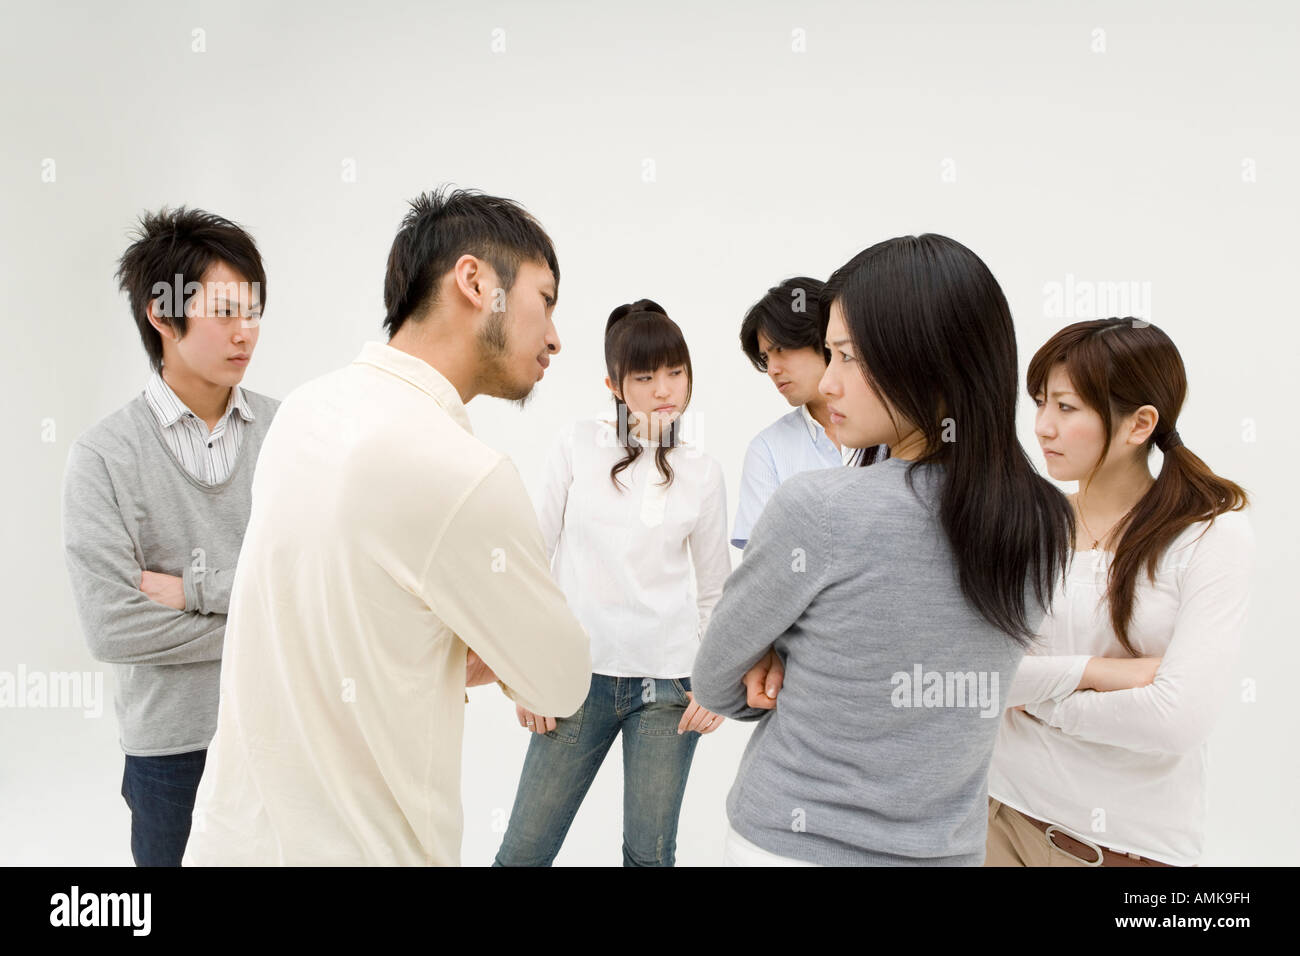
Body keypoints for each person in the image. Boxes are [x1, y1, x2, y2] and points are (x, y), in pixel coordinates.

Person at [183, 187, 591, 866]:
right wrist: (474, 638)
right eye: (545, 300)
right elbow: (561, 682)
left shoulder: (304, 411)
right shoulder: (467, 474)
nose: (554, 337)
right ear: (474, 281)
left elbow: (339, 613)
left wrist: (429, 645)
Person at [692, 234, 1074, 865]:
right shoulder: (1046, 522)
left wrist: (779, 660)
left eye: (847, 357)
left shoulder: (818, 508)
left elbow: (715, 680)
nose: (830, 382)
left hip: (791, 848)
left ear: (925, 360)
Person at [985, 318, 1254, 867]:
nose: (1042, 426)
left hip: (1123, 851)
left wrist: (1036, 704)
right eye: (1039, 403)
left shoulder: (1210, 536)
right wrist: (1098, 674)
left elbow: (1176, 721)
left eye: (1067, 407)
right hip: (994, 819)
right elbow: (976, 679)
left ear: (1140, 425)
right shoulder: (1028, 525)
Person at [61, 207, 276, 866]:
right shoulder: (103, 456)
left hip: (276, 733)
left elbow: (315, 586)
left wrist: (194, 590)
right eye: (225, 312)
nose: (247, 333)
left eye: (254, 310)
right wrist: (265, 623)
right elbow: (114, 628)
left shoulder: (288, 432)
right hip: (169, 754)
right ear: (162, 314)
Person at [493, 299, 731, 867]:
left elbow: (715, 590)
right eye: (645, 377)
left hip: (668, 691)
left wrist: (714, 681)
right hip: (575, 679)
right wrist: (525, 673)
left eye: (675, 372)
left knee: (649, 859)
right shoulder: (576, 445)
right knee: (523, 852)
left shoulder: (702, 471)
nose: (664, 389)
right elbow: (530, 557)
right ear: (615, 385)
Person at [732, 277, 883, 550]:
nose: (773, 369)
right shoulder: (768, 450)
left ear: (823, 337)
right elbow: (763, 564)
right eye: (766, 358)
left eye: (780, 349)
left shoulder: (893, 427)